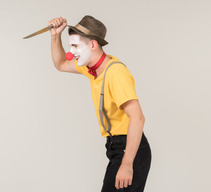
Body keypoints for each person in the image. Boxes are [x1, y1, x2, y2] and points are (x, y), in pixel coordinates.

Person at [48, 15, 151, 192]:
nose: (71, 52)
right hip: (115, 147)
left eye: (75, 46)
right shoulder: (91, 68)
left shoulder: (115, 73)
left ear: (93, 45)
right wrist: (55, 36)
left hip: (130, 148)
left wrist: (127, 164)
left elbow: (138, 118)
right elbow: (60, 64)